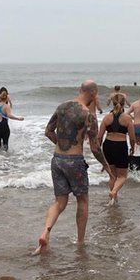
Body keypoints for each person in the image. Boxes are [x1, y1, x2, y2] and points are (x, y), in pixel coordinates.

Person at [33, 80, 109, 255]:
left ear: (79, 90)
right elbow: (95, 147)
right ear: (93, 94)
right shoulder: (88, 115)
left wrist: (61, 145)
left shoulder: (61, 107)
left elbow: (48, 131)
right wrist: (107, 167)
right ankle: (80, 243)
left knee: (59, 202)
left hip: (57, 159)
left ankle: (46, 231)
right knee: (82, 201)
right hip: (75, 161)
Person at [98, 92, 135, 205]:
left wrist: (99, 152)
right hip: (120, 146)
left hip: (108, 145)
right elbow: (132, 138)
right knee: (123, 176)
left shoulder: (106, 118)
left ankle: (113, 199)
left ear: (112, 103)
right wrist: (132, 148)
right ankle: (114, 191)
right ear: (124, 104)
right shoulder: (127, 119)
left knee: (112, 175)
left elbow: (99, 136)